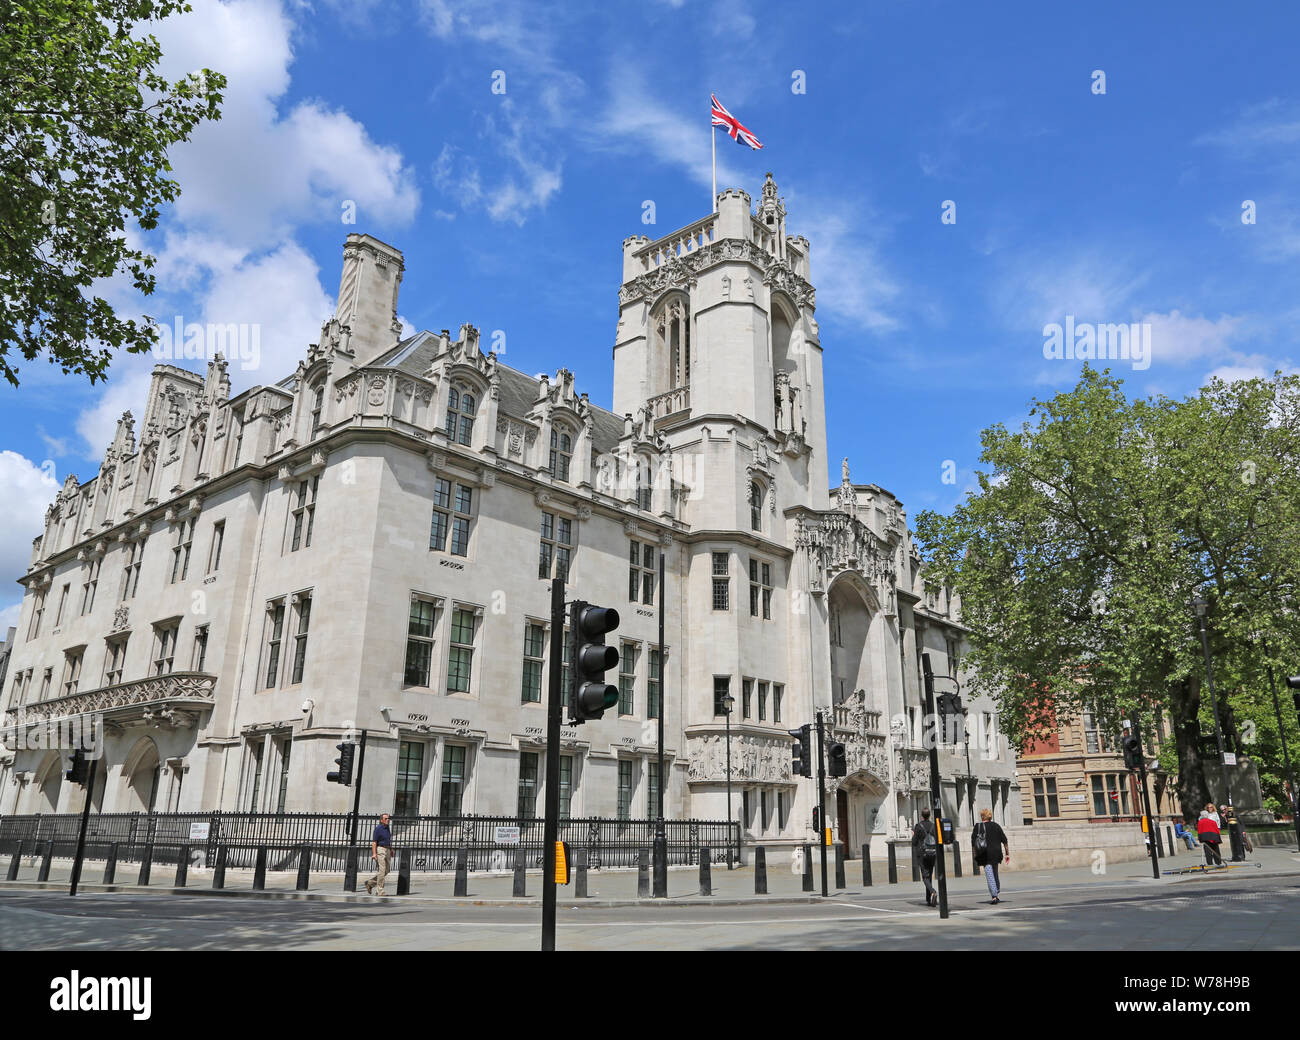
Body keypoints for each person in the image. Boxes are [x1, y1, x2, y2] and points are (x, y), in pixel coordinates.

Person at [972, 807, 1010, 904]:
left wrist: (975, 854)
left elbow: (973, 842)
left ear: (982, 816)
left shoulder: (978, 827)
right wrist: (1007, 854)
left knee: (989, 874)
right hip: (996, 853)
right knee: (995, 873)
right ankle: (996, 891)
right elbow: (1005, 840)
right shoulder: (996, 826)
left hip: (985, 853)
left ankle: (994, 895)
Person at [911, 808, 939, 907]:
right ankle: (929, 899)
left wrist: (914, 835)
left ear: (921, 816)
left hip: (922, 854)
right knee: (929, 875)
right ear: (929, 815)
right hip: (932, 852)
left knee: (925, 877)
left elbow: (914, 842)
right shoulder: (933, 825)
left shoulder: (918, 826)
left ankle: (932, 891)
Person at [366, 812, 394, 895]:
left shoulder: (387, 827)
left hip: (387, 849)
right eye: (386, 819)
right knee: (382, 871)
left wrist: (391, 849)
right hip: (380, 849)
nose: (388, 820)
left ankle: (370, 883)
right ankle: (380, 891)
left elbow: (388, 839)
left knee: (387, 870)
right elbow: (374, 842)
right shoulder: (378, 828)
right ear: (381, 820)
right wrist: (374, 854)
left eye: (388, 818)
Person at [1197, 803, 1224, 867]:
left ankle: (1212, 863)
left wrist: (1200, 839)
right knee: (1213, 849)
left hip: (1206, 836)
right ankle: (1216, 862)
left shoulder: (1214, 815)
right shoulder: (1209, 820)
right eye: (1208, 807)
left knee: (1209, 850)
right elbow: (1216, 829)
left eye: (1211, 807)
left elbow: (1199, 830)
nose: (1210, 808)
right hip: (1213, 835)